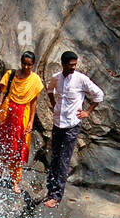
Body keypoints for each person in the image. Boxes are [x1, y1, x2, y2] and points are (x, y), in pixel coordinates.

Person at [43, 50, 105, 207]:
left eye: (75, 65)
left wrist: (87, 112)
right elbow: (49, 90)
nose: (73, 67)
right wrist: (54, 105)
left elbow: (99, 95)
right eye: (71, 65)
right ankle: (50, 190)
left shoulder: (81, 79)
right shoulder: (56, 78)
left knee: (64, 159)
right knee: (55, 156)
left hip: (72, 124)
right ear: (63, 64)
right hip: (58, 122)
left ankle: (56, 197)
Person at [0, 51, 44, 194]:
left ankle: (15, 181)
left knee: (17, 149)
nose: (26, 67)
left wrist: (31, 121)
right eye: (24, 64)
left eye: (29, 65)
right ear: (21, 62)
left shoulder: (35, 80)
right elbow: (2, 93)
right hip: (7, 111)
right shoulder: (11, 75)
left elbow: (34, 103)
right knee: (1, 143)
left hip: (23, 115)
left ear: (33, 65)